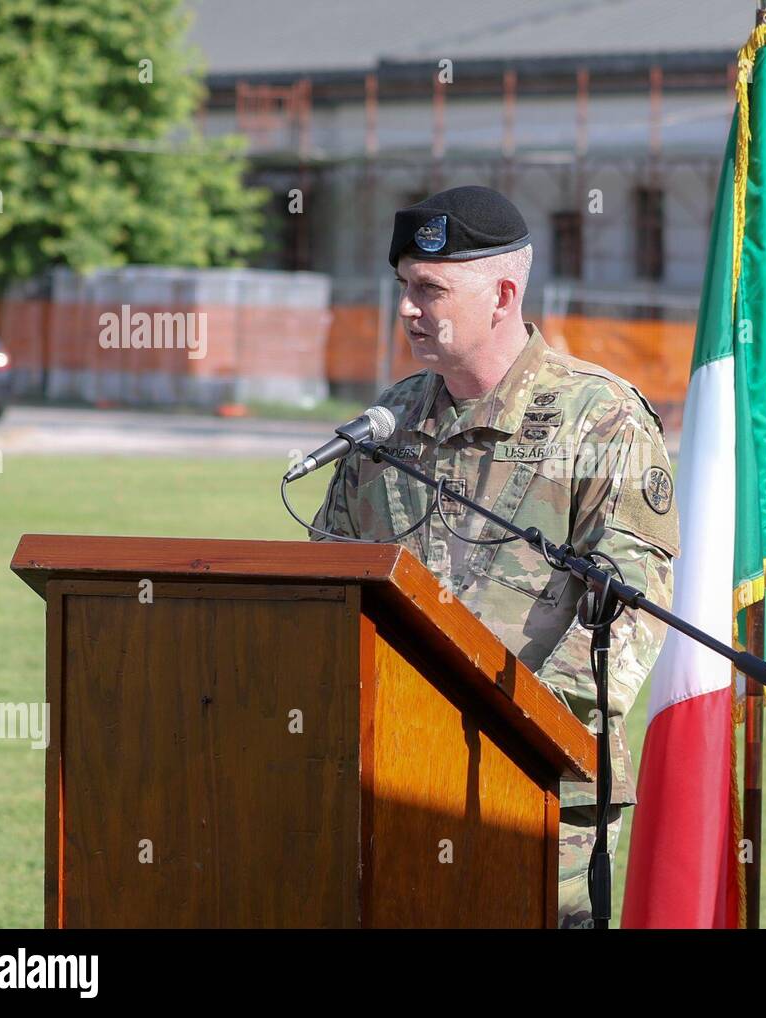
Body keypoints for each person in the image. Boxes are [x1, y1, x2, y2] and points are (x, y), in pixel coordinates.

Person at [309, 185, 679, 927]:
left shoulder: (598, 417)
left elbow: (634, 601)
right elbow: (326, 588)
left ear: (503, 293)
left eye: (429, 290)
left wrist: (529, 731)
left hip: (539, 787)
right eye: (403, 289)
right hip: (397, 777)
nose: (407, 310)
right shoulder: (389, 423)